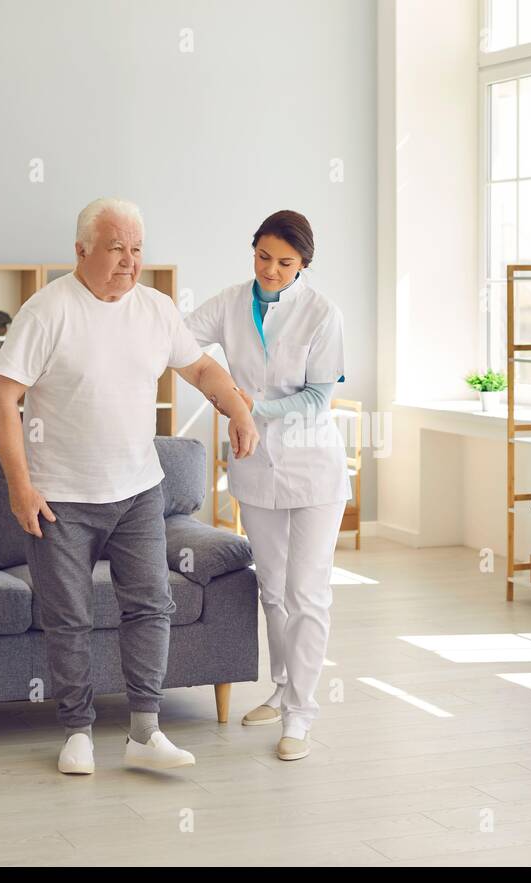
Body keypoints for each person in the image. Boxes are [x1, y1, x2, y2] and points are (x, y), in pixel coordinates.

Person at [0, 197, 259, 775]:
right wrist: (20, 487)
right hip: (61, 497)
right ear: (82, 250)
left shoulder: (156, 310)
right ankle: (77, 732)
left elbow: (201, 369)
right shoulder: (48, 311)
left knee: (150, 607)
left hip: (137, 492)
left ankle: (144, 732)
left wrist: (238, 409)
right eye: (115, 248)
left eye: (136, 249)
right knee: (69, 618)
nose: (128, 261)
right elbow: (2, 398)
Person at [185, 210, 351, 761]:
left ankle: (302, 713)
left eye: (285, 262)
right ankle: (281, 691)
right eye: (263, 257)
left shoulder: (323, 313)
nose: (272, 270)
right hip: (255, 467)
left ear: (303, 263)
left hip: (313, 470)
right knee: (274, 590)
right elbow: (178, 338)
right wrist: (221, 391)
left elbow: (318, 397)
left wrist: (252, 406)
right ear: (252, 250)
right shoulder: (232, 301)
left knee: (307, 593)